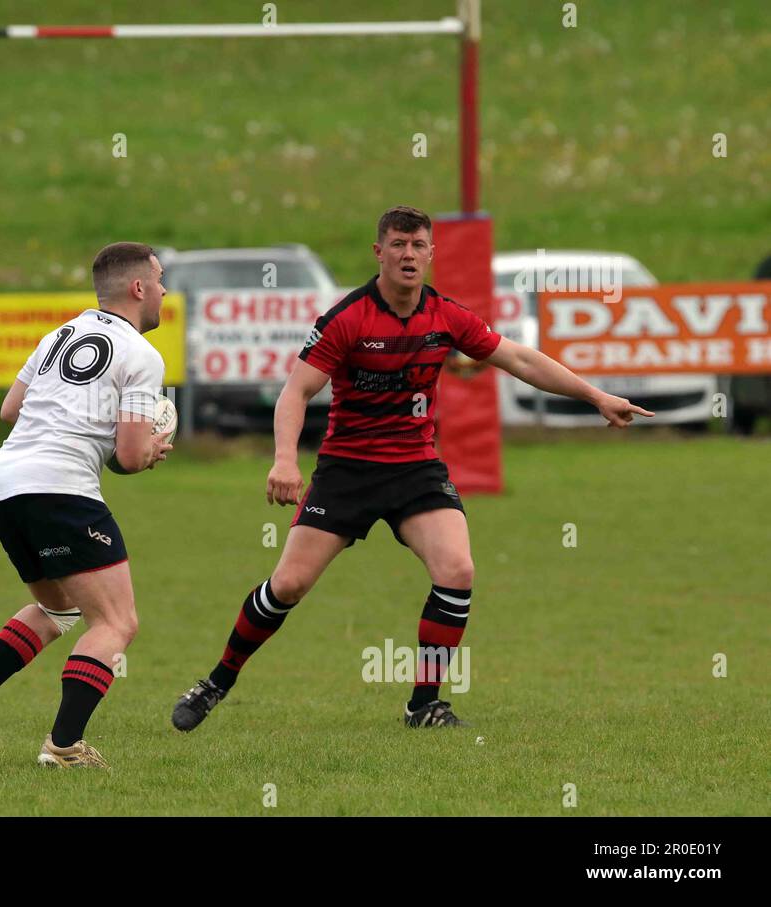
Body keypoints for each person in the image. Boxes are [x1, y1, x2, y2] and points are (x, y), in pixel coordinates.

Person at [172, 205, 653, 731]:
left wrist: (596, 395)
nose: (408, 254)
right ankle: (217, 681)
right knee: (288, 585)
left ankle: (424, 704)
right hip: (347, 471)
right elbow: (297, 390)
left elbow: (519, 359)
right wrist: (285, 460)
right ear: (379, 253)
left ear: (430, 253)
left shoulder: (445, 315)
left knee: (457, 571)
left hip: (415, 469)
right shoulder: (348, 317)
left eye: (417, 245)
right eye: (398, 244)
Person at [0, 242, 173, 768]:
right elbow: (132, 457)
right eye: (160, 280)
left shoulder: (59, 335)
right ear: (138, 288)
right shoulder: (142, 355)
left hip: (3, 486)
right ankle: (64, 747)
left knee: (59, 608)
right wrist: (149, 448)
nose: (164, 291)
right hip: (59, 487)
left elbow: (10, 409)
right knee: (116, 623)